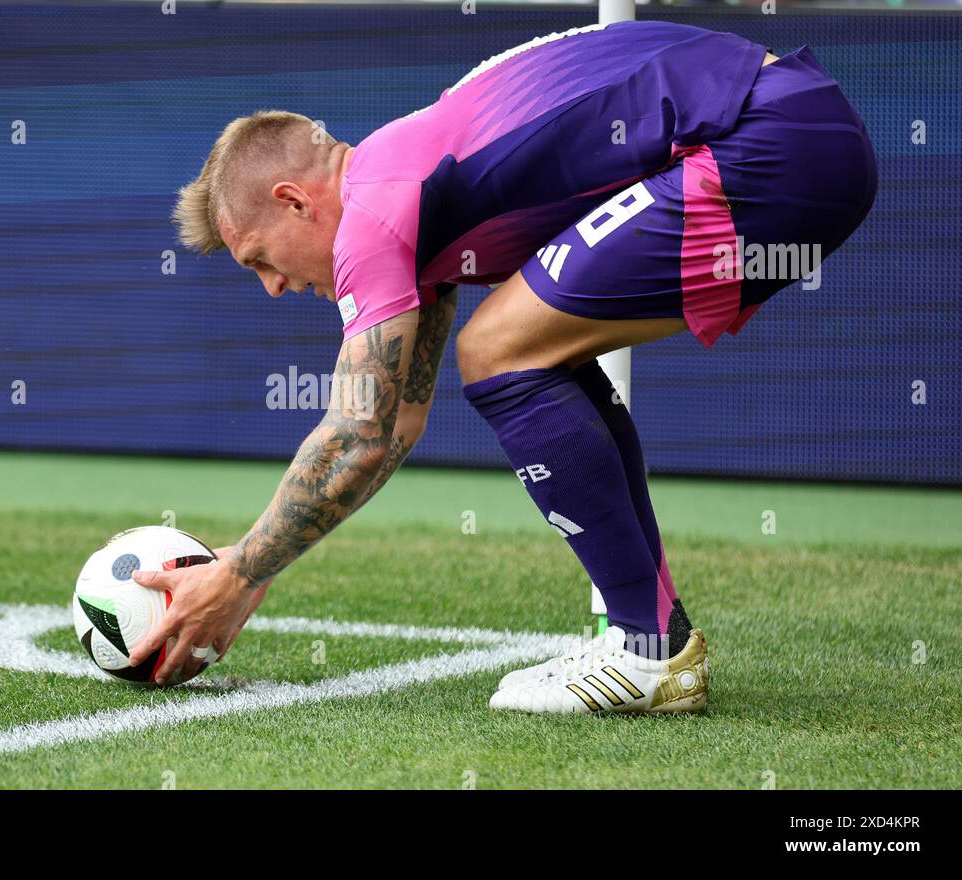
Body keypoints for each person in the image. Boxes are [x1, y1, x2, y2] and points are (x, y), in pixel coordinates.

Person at [129, 20, 877, 714]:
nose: (273, 288)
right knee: (530, 345)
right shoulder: (409, 194)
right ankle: (649, 641)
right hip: (800, 130)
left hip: (772, 139)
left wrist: (236, 575)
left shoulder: (375, 208)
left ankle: (647, 650)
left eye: (259, 259)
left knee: (497, 348)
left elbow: (352, 430)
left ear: (293, 200)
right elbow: (391, 429)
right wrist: (254, 567)